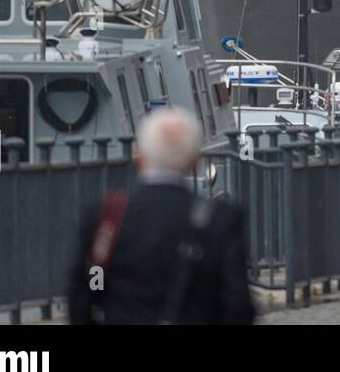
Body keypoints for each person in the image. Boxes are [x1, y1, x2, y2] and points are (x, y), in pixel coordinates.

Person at [68, 108, 254, 324]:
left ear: (139, 157)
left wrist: (98, 290)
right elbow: (237, 303)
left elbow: (88, 287)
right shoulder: (220, 219)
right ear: (195, 161)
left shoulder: (107, 217)